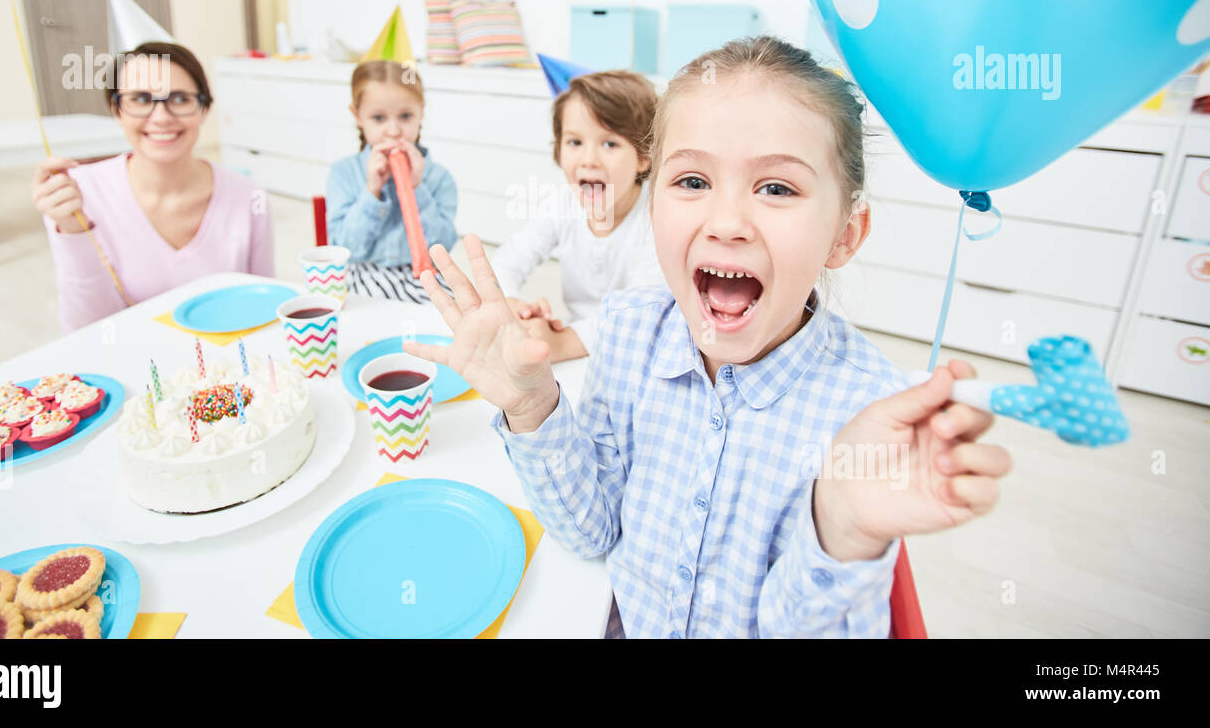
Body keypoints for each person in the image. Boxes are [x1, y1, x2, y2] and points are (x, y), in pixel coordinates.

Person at [403, 36, 1013, 637]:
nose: (726, 223)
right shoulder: (627, 331)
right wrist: (531, 404)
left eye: (776, 188)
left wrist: (843, 528)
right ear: (654, 201)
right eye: (693, 181)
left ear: (844, 234)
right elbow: (593, 531)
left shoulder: (868, 412)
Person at [32, 42, 274, 331]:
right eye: (141, 99)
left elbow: (264, 310)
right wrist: (72, 233)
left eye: (181, 99)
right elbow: (85, 330)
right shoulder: (77, 193)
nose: (161, 117)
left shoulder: (249, 196)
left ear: (204, 109)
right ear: (116, 110)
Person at [492, 70, 663, 362]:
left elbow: (639, 314)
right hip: (579, 344)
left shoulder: (657, 220)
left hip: (638, 352)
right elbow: (506, 262)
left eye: (610, 143)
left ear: (644, 156)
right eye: (574, 142)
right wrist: (512, 304)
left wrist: (560, 344)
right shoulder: (563, 205)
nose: (588, 159)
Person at [324, 60, 458, 303]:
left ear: (421, 111)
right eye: (378, 118)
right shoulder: (343, 173)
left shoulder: (440, 179)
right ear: (357, 116)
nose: (394, 131)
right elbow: (343, 250)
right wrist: (371, 192)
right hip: (361, 277)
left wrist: (417, 187)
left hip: (423, 279)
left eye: (406, 116)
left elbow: (443, 247)